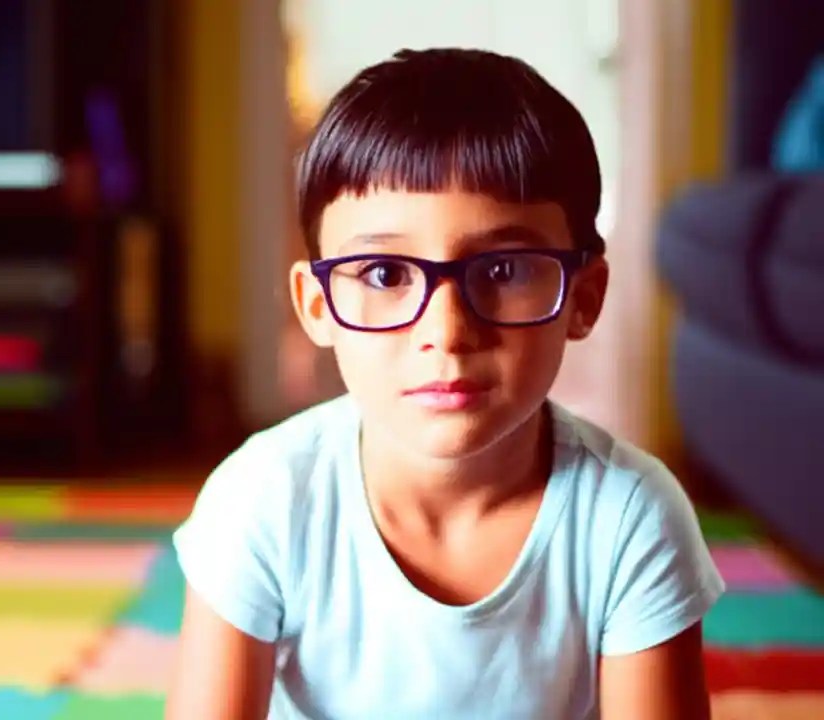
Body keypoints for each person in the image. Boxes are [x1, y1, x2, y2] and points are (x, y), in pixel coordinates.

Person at [167, 48, 724, 720]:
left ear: (584, 295)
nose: (447, 331)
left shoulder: (631, 517)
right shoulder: (263, 501)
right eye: (384, 274)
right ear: (316, 308)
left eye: (505, 270)